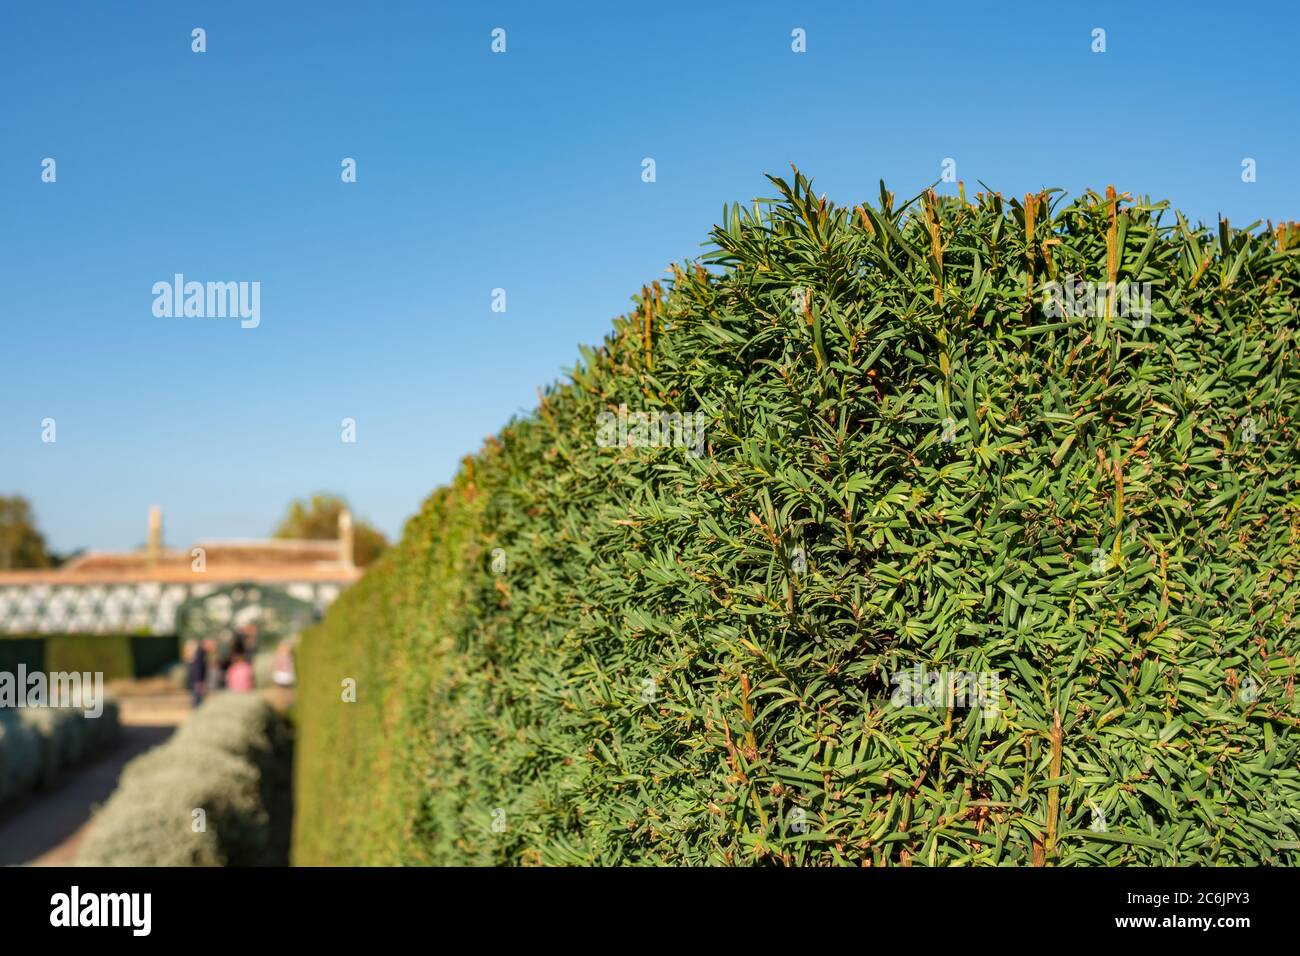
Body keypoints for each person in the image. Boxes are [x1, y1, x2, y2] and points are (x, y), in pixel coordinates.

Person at [187, 639, 208, 707]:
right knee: (197, 699)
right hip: (197, 681)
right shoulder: (200, 654)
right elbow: (198, 669)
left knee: (197, 699)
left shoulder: (201, 653)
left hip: (197, 680)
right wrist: (199, 681)